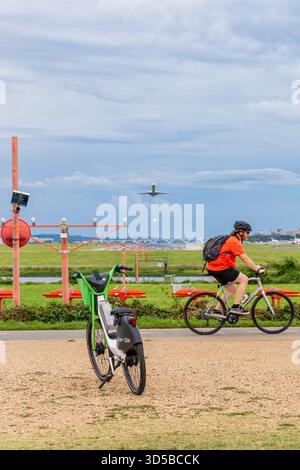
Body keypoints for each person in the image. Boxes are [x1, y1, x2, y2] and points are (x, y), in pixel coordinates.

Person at [207, 220, 266, 314]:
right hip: (221, 268)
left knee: (231, 289)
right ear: (241, 232)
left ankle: (217, 311)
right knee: (244, 279)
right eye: (247, 232)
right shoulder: (234, 242)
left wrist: (255, 266)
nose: (248, 235)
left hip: (213, 267)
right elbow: (245, 259)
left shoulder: (230, 239)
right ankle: (235, 307)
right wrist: (257, 269)